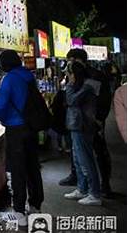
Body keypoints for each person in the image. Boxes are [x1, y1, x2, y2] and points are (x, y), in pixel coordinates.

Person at [0, 50, 44, 226]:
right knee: (33, 166)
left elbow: (0, 105)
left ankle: (19, 212)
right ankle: (36, 205)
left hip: (15, 129)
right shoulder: (27, 76)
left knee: (17, 169)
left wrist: (3, 119)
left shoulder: (9, 79)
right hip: (31, 127)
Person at [60, 49, 113, 197]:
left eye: (70, 59)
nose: (68, 63)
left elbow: (102, 100)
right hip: (80, 121)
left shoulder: (94, 76)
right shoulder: (79, 74)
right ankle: (82, 185)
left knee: (96, 154)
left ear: (77, 59)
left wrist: (100, 119)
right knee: (79, 155)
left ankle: (103, 186)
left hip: (89, 122)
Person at [63, 61, 102, 206]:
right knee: (79, 159)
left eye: (69, 72)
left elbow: (71, 101)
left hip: (83, 127)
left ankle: (94, 193)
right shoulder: (84, 86)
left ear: (75, 74)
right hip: (77, 126)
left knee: (86, 160)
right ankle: (82, 188)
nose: (67, 75)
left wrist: (70, 86)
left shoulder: (85, 87)